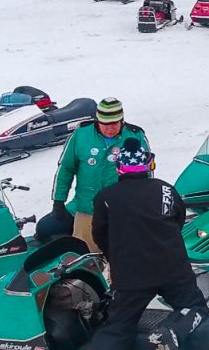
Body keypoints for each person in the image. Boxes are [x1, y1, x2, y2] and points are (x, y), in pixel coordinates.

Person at [73, 138, 207, 350]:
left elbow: (101, 235)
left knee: (115, 331)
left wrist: (118, 257)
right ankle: (173, 331)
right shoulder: (166, 190)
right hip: (173, 269)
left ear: (120, 168)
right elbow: (178, 221)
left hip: (131, 276)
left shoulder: (106, 197)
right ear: (148, 164)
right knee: (194, 307)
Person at [41, 97, 148, 250]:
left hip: (121, 211)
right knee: (86, 255)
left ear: (122, 121)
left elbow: (145, 174)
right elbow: (66, 168)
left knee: (122, 256)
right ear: (97, 120)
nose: (110, 129)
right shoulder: (81, 135)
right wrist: (58, 200)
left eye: (115, 124)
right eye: (105, 124)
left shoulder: (135, 136)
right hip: (87, 209)